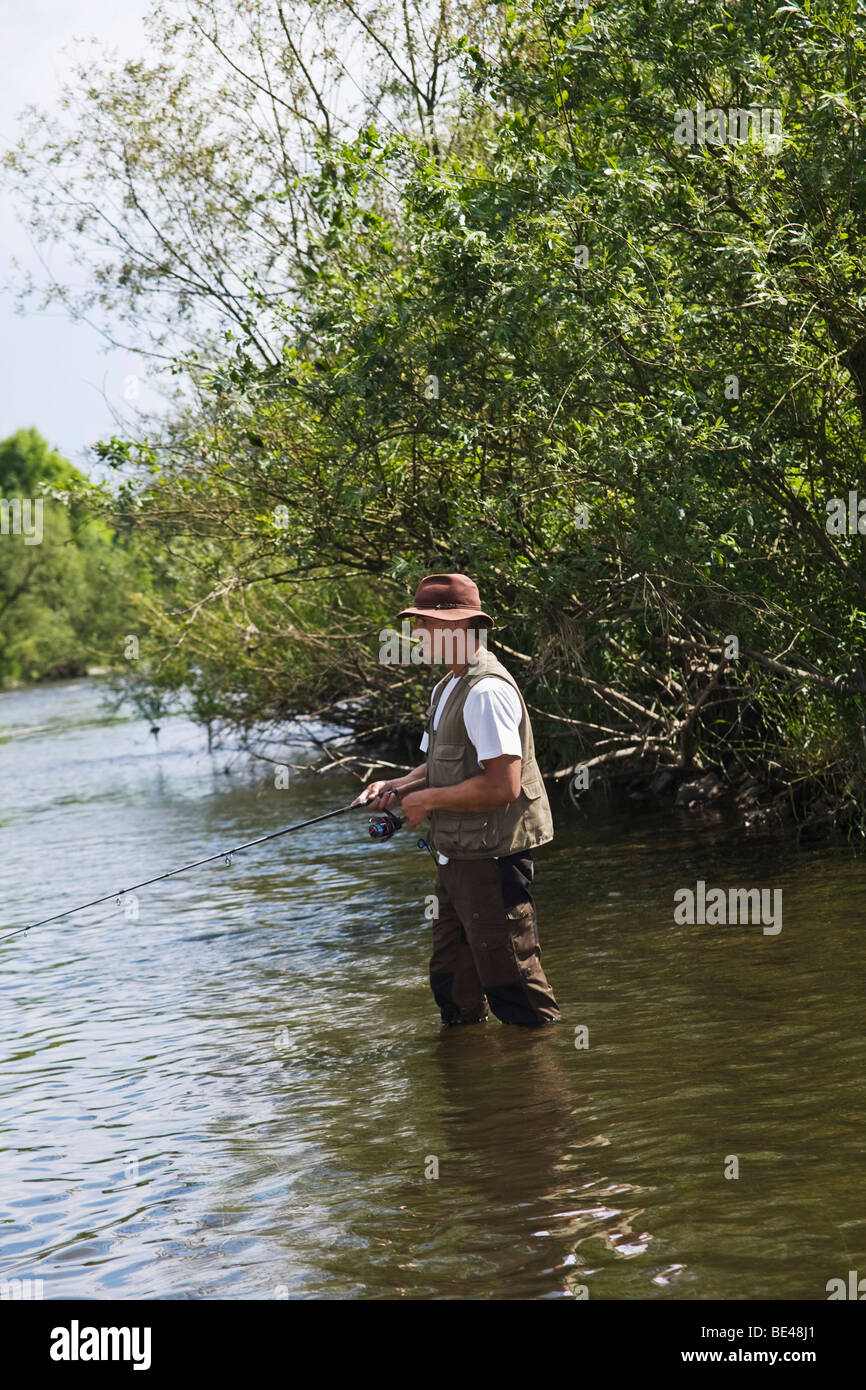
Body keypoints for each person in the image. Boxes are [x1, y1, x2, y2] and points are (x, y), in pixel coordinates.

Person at [354, 573, 561, 1028]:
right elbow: (438, 767)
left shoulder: (487, 691)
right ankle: (478, 1085)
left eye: (425, 624)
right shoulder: (448, 685)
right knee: (453, 988)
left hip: (491, 862)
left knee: (517, 992)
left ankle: (546, 1091)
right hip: (455, 859)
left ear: (460, 626)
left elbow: (501, 786)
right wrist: (396, 787)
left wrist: (426, 801)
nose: (417, 635)